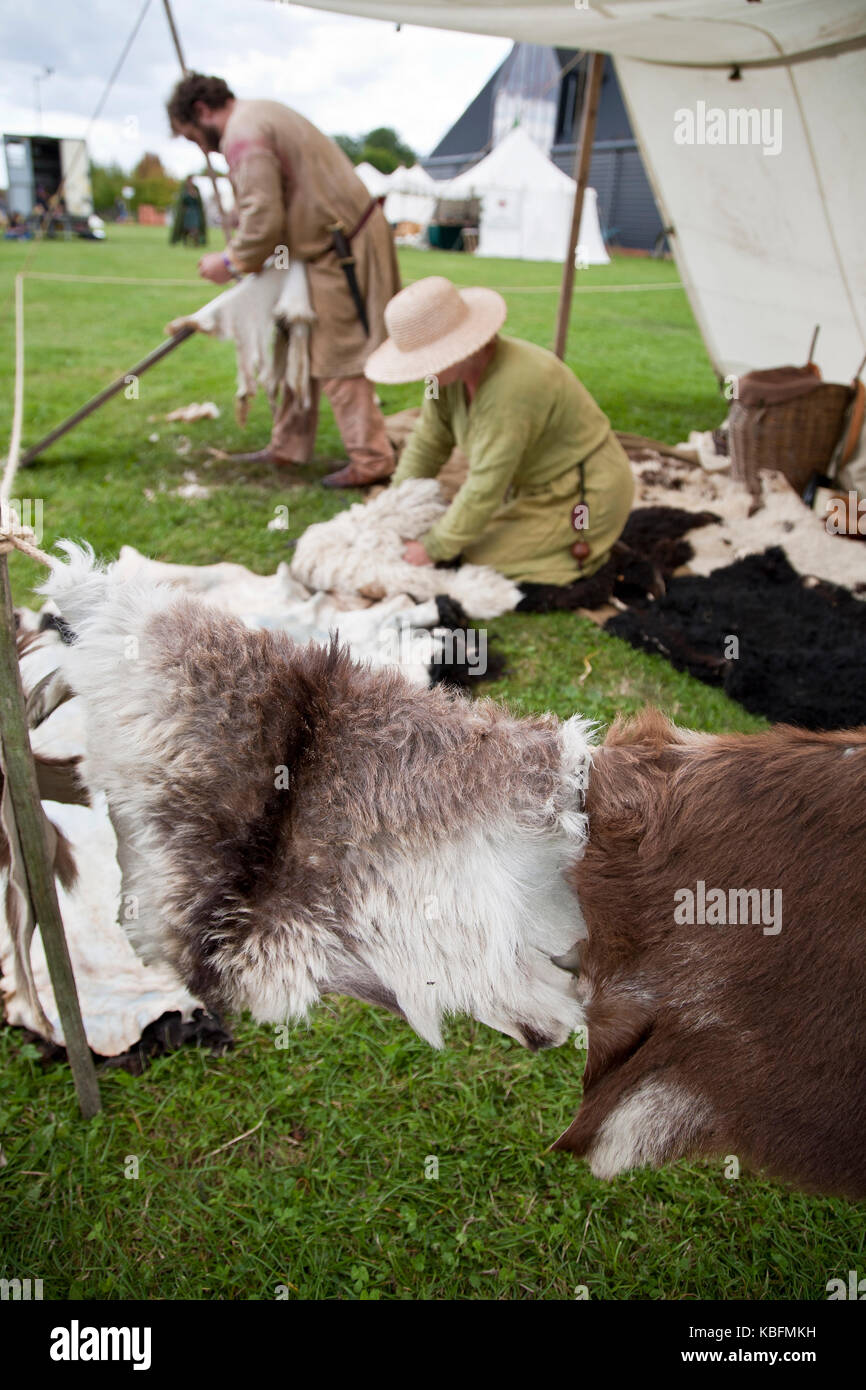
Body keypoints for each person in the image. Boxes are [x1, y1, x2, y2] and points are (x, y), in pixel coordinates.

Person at [167, 72, 400, 487]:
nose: (201, 147)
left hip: (340, 251)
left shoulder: (243, 133)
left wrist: (232, 261)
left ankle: (372, 459)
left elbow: (264, 218)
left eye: (192, 137)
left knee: (339, 357)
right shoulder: (257, 118)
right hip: (319, 252)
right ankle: (289, 446)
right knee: (294, 345)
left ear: (201, 111)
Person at [364, 276, 634, 588]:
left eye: (427, 358)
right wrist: (392, 509)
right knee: (460, 535)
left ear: (460, 346)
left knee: (477, 557)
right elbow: (428, 443)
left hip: (582, 494)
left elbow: (486, 482)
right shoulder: (442, 381)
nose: (423, 370)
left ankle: (594, 547)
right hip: (522, 487)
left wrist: (431, 548)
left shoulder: (513, 387)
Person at [171, 176, 207, 247]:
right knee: (186, 228)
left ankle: (196, 243)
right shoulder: (184, 188)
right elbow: (182, 200)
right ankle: (185, 243)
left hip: (194, 212)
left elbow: (199, 202)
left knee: (195, 228)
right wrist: (188, 195)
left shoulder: (196, 188)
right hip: (187, 213)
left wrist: (195, 196)